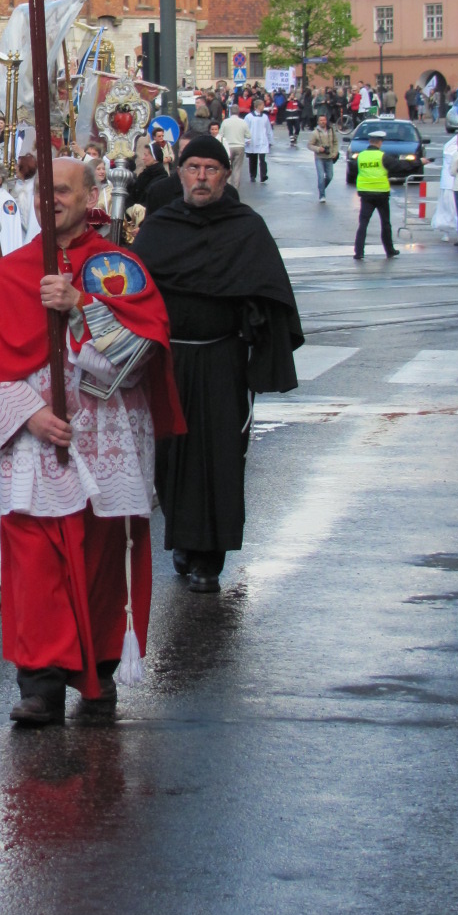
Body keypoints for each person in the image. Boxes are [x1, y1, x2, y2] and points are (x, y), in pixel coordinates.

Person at [0, 157, 184, 724]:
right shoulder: (13, 270)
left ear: (90, 196)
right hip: (37, 441)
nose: (50, 199)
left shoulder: (119, 266)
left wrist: (82, 307)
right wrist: (31, 415)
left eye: (62, 190)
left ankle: (99, 670)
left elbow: (141, 354)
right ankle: (39, 683)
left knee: (103, 557)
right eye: (43, 191)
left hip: (105, 434)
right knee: (36, 559)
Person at [133, 135, 302, 593]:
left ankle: (211, 556)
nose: (202, 177)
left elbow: (272, 293)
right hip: (169, 359)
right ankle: (183, 540)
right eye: (193, 168)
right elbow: (130, 292)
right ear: (180, 173)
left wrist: (257, 324)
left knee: (222, 457)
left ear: (226, 176)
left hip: (224, 359)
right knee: (169, 456)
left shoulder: (246, 228)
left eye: (211, 169)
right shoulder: (159, 228)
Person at [353, 131, 400, 261]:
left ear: (370, 142)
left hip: (366, 195)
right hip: (381, 194)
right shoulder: (383, 156)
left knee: (363, 224)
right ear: (380, 142)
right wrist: (419, 162)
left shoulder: (361, 156)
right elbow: (399, 166)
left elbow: (353, 168)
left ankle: (359, 251)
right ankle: (389, 250)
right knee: (385, 223)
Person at [308, 114, 340, 202]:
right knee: (321, 176)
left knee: (329, 176)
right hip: (320, 157)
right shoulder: (315, 133)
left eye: (324, 120)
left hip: (329, 157)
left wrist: (334, 152)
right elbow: (310, 145)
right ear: (318, 122)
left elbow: (335, 142)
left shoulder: (331, 130)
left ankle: (321, 187)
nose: (323, 122)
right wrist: (319, 149)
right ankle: (322, 195)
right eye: (321, 120)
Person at [243, 97, 272, 183]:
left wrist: (270, 140)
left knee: (262, 159)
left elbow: (268, 129)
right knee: (253, 158)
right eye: (262, 105)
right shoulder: (249, 117)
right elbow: (245, 128)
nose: (264, 106)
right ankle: (253, 175)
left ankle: (263, 175)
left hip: (262, 140)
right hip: (252, 140)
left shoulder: (265, 117)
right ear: (258, 106)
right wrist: (246, 139)